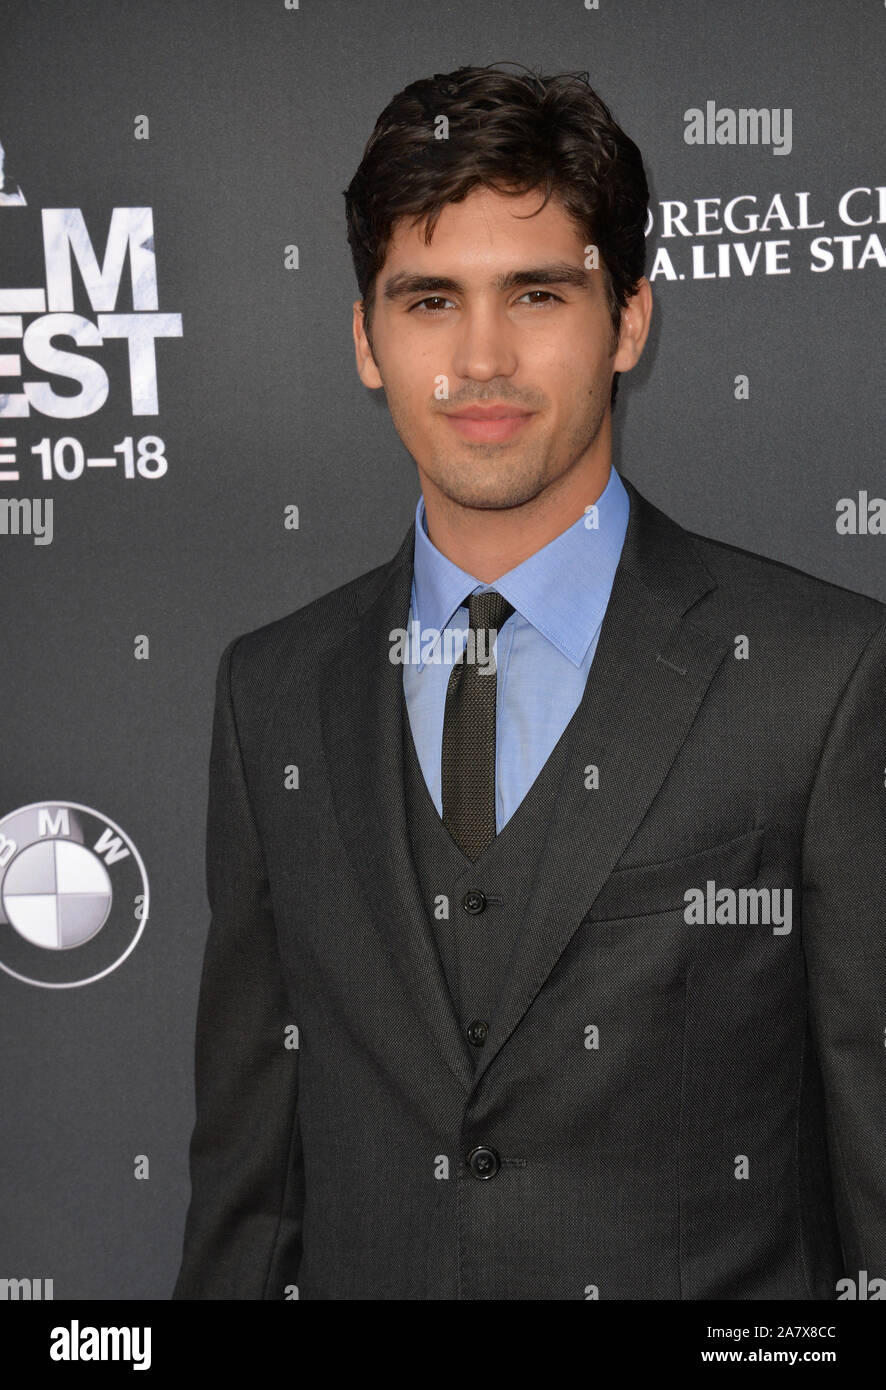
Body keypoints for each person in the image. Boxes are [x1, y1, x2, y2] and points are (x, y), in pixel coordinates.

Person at [173, 63, 886, 1300]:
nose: (481, 358)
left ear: (628, 323)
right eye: (430, 299)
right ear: (365, 339)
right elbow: (250, 1197)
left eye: (538, 293)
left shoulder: (823, 678)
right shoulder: (271, 694)